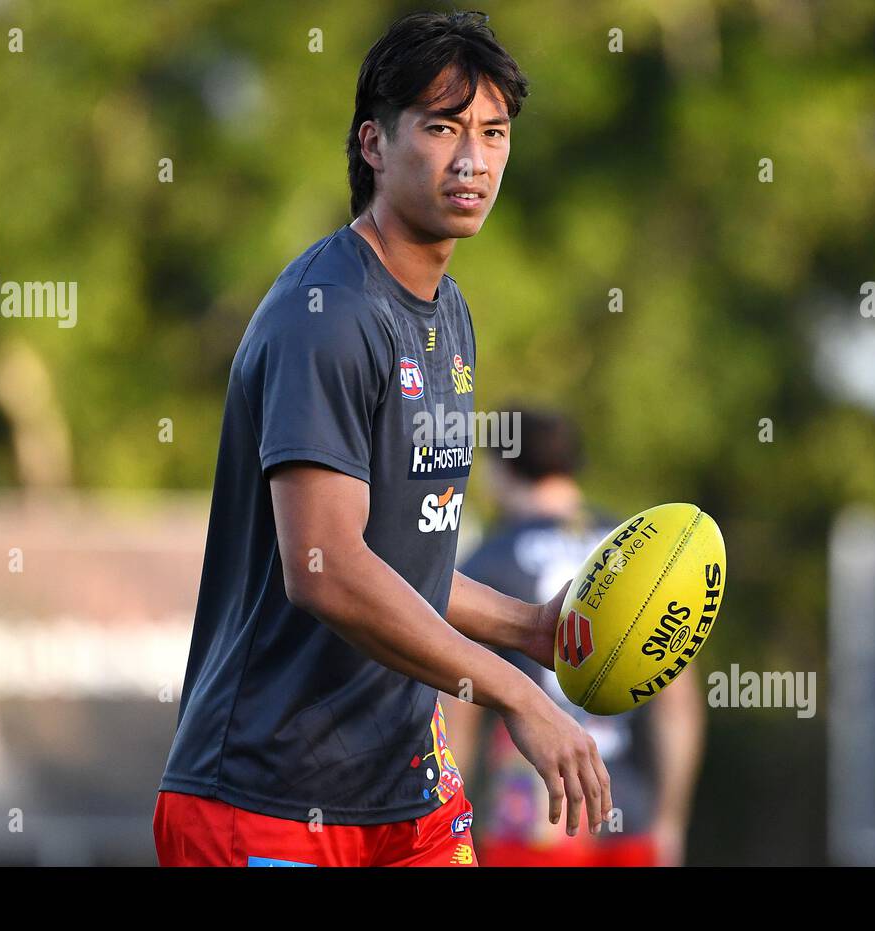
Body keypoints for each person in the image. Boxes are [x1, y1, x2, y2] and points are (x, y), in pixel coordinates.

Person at [153, 11, 613, 867]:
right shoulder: (325, 315)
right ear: (373, 142)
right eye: (442, 128)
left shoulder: (450, 314)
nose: (472, 160)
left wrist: (530, 628)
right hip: (267, 800)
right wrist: (514, 691)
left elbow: (404, 559)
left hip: (409, 802)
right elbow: (329, 570)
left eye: (493, 133)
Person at [444, 410, 707, 866]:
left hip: (532, 815)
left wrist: (448, 821)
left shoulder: (487, 562)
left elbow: (456, 707)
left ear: (504, 467)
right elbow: (677, 700)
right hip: (628, 810)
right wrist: (670, 819)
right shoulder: (636, 551)